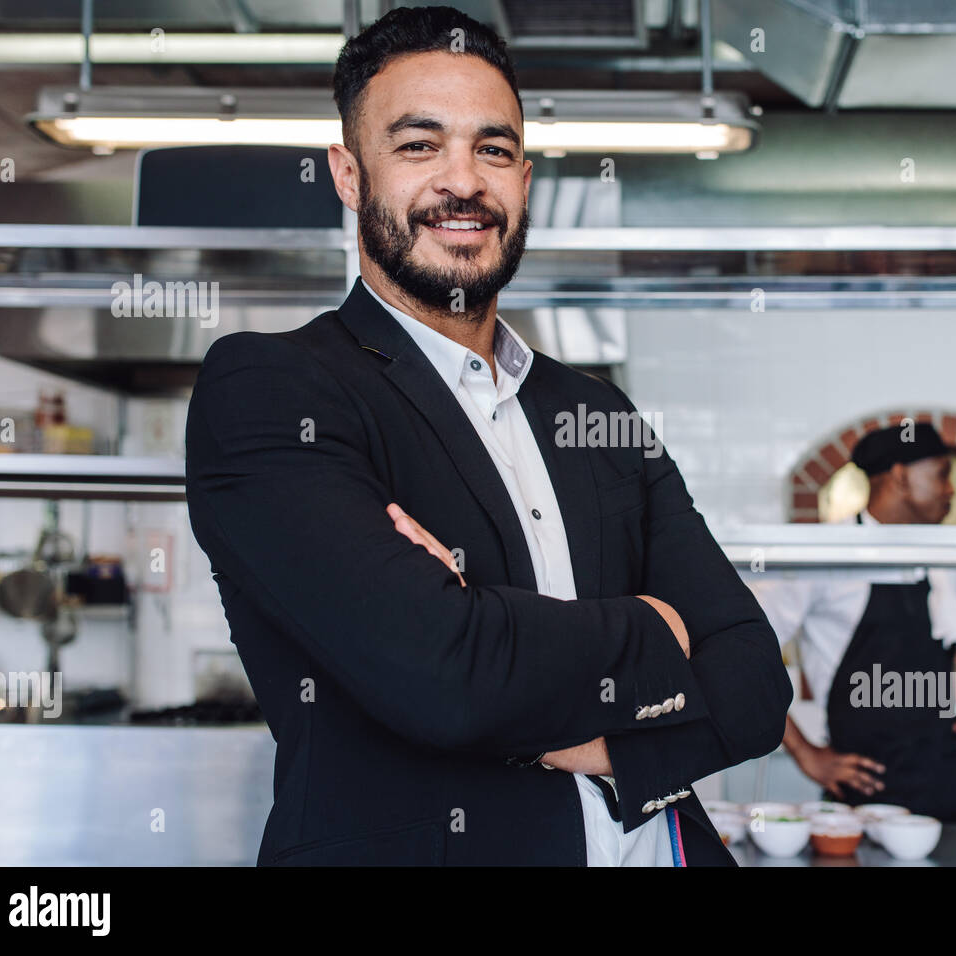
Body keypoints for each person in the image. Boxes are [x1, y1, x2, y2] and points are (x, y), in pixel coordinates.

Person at [183, 5, 791, 866]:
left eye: (493, 150)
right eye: (419, 145)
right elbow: (444, 674)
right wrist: (661, 628)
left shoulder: (599, 414)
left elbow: (757, 682)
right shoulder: (273, 388)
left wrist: (591, 738)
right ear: (349, 174)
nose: (462, 182)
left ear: (525, 179)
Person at [747, 424, 956, 822]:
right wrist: (807, 754)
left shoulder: (944, 551)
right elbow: (741, 648)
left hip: (951, 780)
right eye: (942, 475)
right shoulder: (827, 552)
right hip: (864, 789)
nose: (950, 490)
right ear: (900, 476)